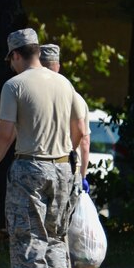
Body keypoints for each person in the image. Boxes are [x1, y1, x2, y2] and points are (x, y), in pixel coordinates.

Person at [0, 29, 88, 268]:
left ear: (15, 55)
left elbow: (5, 133)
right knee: (54, 236)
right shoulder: (64, 84)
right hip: (64, 168)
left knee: (27, 239)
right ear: (37, 51)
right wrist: (67, 154)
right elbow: (79, 128)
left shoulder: (14, 85)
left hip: (30, 168)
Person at [40, 43, 92, 195]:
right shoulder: (75, 97)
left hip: (39, 167)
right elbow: (84, 140)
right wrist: (82, 176)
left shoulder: (33, 97)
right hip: (68, 169)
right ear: (58, 66)